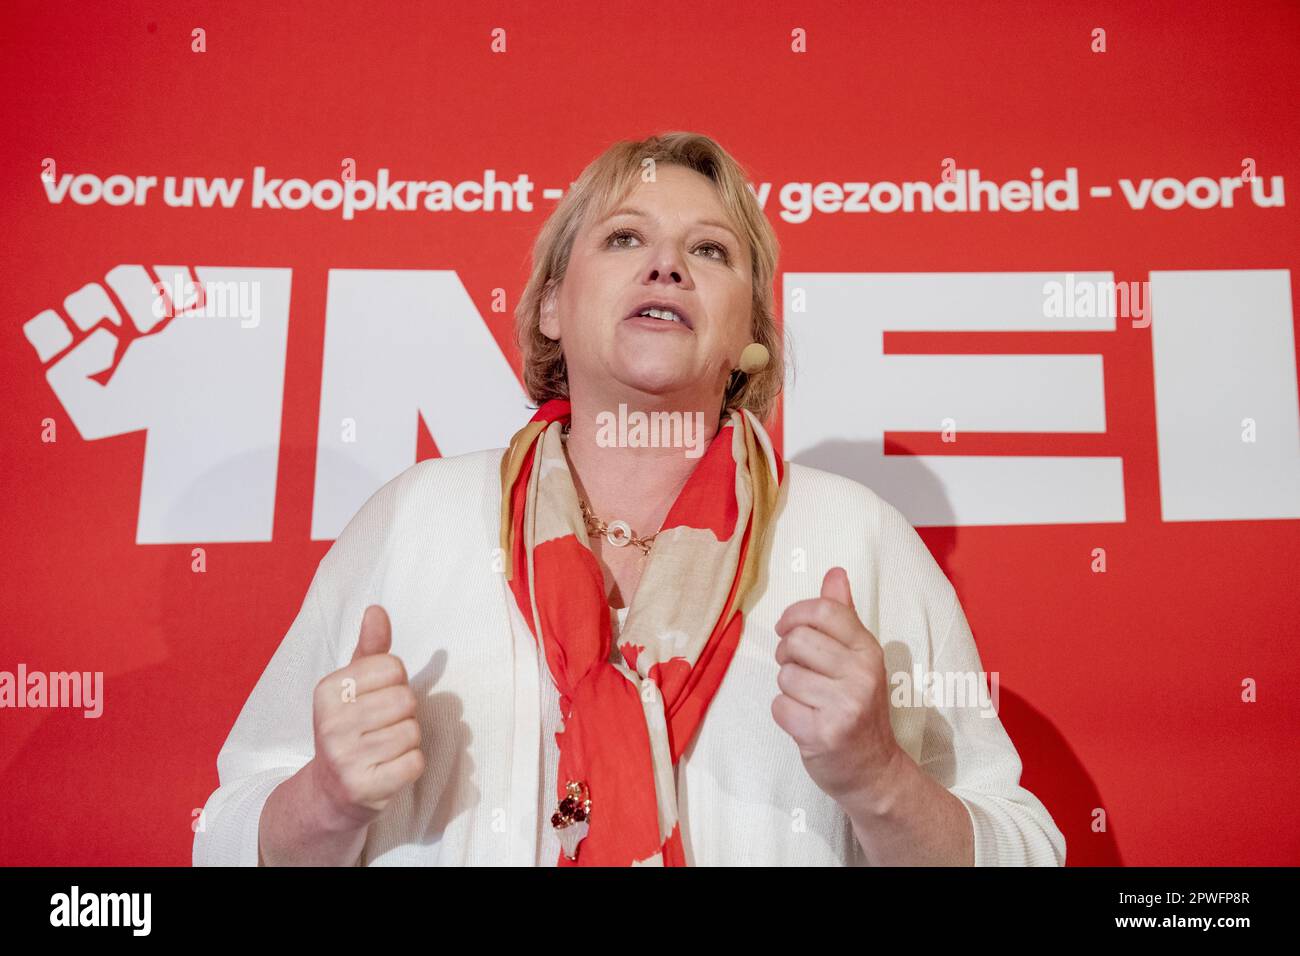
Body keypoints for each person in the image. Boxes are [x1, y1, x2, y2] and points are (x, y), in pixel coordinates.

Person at [192, 131, 1065, 867]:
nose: (667, 267)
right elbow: (223, 836)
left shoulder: (854, 538)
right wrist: (325, 801)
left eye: (710, 251)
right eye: (623, 239)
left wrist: (880, 779)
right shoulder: (418, 517)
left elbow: (1025, 848)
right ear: (549, 311)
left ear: (750, 340)